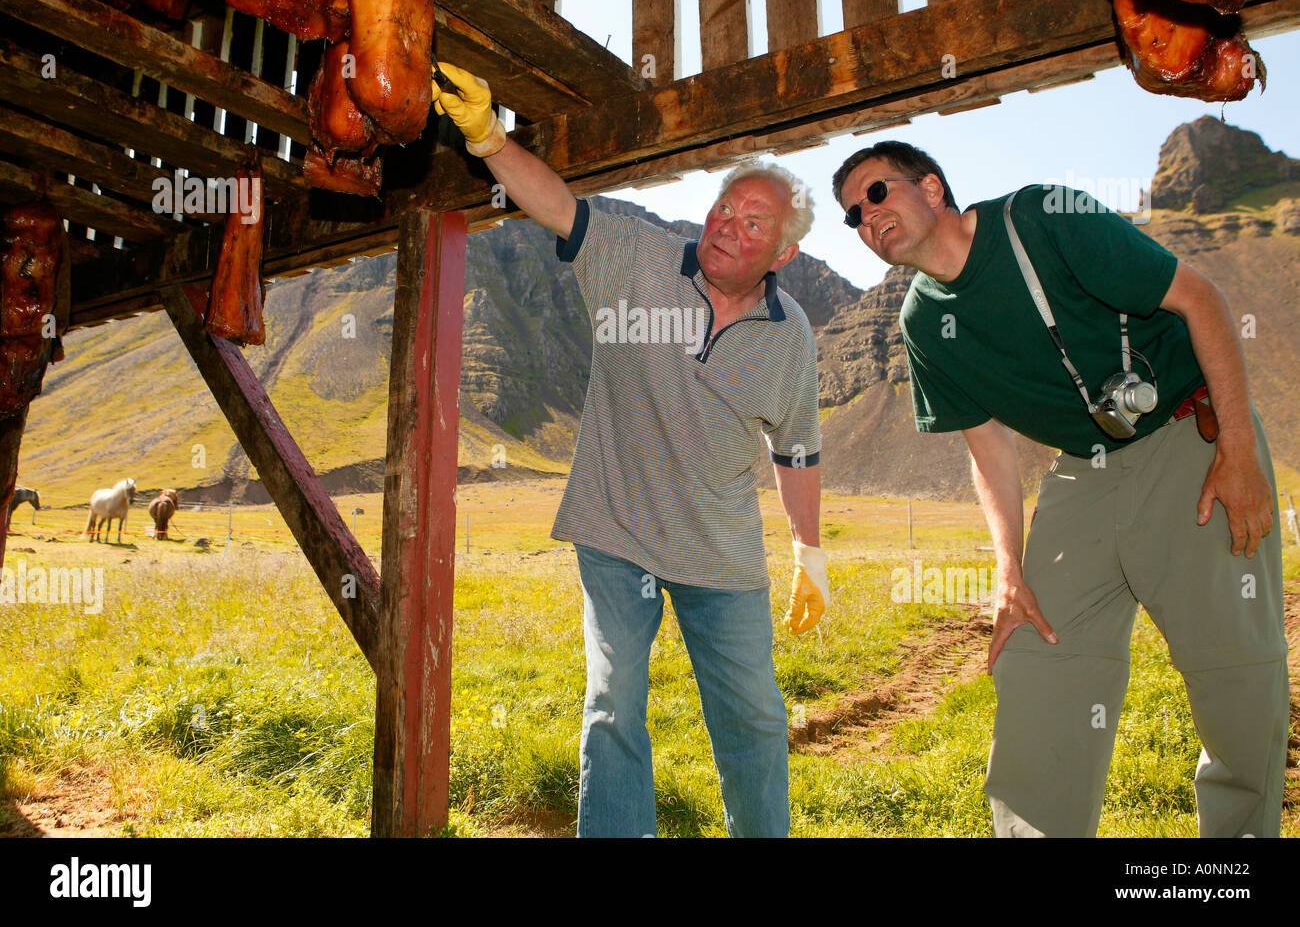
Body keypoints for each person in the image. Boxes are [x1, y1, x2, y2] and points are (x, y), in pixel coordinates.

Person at [833, 140, 1287, 838]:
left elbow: (1201, 298)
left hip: (1190, 436)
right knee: (1036, 656)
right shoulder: (922, 323)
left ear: (929, 188)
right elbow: (987, 445)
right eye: (852, 217)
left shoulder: (1044, 216)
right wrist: (1010, 570)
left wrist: (1240, 449)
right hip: (1082, 471)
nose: (866, 218)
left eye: (876, 194)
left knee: (1235, 672)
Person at [432, 62, 830, 838]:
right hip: (617, 534)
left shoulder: (793, 338)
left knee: (752, 716)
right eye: (725, 207)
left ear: (780, 254)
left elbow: (798, 450)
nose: (727, 226)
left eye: (754, 224)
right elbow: (557, 204)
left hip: (720, 551)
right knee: (614, 706)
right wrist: (488, 138)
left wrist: (808, 552)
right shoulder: (639, 259)